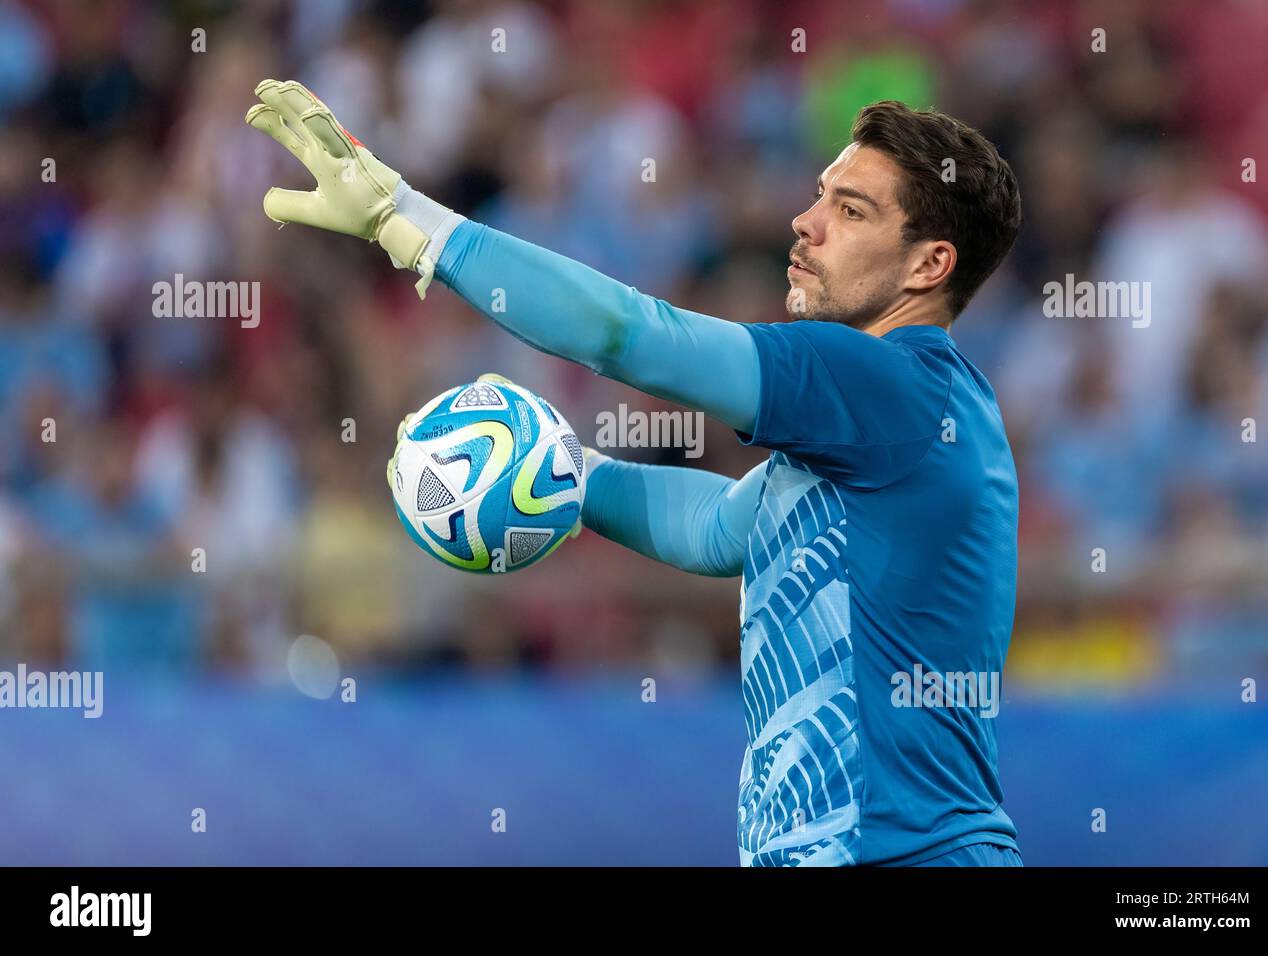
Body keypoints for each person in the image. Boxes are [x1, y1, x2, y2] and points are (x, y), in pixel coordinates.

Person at [245, 79, 1023, 867]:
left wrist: (408, 220)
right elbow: (719, 530)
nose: (806, 221)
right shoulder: (899, 420)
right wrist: (562, 477)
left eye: (851, 211)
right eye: (821, 194)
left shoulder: (892, 386)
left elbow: (631, 336)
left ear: (930, 264)